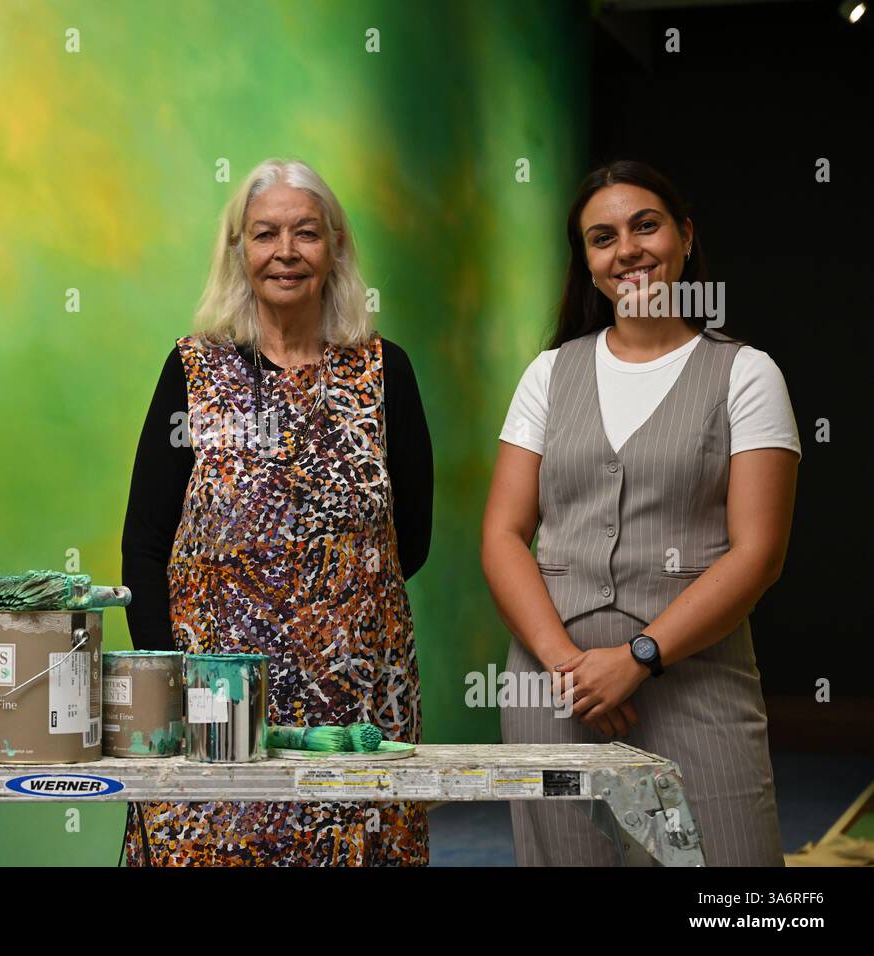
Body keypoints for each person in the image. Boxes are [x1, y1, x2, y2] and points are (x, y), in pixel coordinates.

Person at [482, 160, 800, 866]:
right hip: (552, 689)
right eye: (602, 237)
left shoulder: (746, 374)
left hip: (698, 683)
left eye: (644, 225)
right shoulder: (549, 373)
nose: (626, 249)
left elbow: (758, 554)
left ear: (684, 237)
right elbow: (503, 536)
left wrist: (638, 657)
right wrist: (570, 666)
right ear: (588, 262)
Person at [121, 158, 434, 865]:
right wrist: (171, 686)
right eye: (265, 235)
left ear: (337, 250)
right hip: (216, 711)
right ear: (238, 252)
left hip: (356, 711)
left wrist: (328, 615)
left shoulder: (387, 373)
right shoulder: (193, 371)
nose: (286, 253)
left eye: (306, 234)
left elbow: (409, 541)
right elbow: (144, 545)